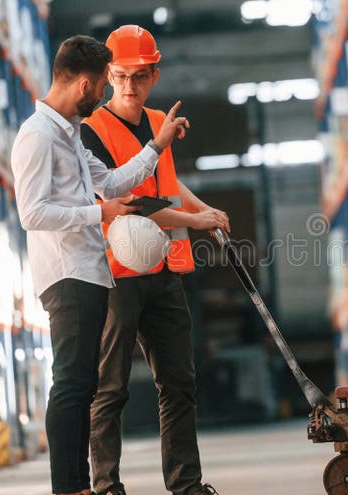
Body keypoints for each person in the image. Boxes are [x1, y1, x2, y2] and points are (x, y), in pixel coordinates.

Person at [11, 34, 189, 495]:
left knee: (82, 383)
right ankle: (69, 487)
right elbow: (31, 213)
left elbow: (111, 182)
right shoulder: (37, 135)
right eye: (103, 84)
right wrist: (99, 214)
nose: (105, 94)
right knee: (71, 384)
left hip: (90, 271)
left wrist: (158, 143)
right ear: (88, 84)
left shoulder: (67, 133)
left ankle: (79, 485)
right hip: (66, 273)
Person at [81, 25, 229, 495]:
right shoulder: (92, 132)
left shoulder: (159, 119)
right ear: (108, 74)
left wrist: (201, 208)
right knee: (110, 389)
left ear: (154, 76)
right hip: (117, 275)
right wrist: (195, 220)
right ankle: (106, 487)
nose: (130, 86)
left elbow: (165, 182)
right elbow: (130, 201)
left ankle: (186, 485)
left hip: (164, 270)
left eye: (140, 76)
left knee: (179, 383)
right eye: (121, 76)